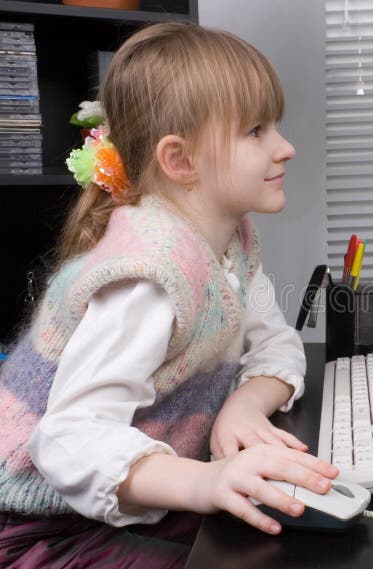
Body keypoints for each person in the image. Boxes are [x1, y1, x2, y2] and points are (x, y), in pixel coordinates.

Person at [0, 22, 338, 567]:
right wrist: (206, 481)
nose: (285, 147)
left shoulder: (229, 242)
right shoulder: (148, 277)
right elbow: (68, 440)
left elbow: (274, 339)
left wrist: (243, 406)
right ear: (180, 161)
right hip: (46, 524)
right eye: (256, 131)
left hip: (137, 491)